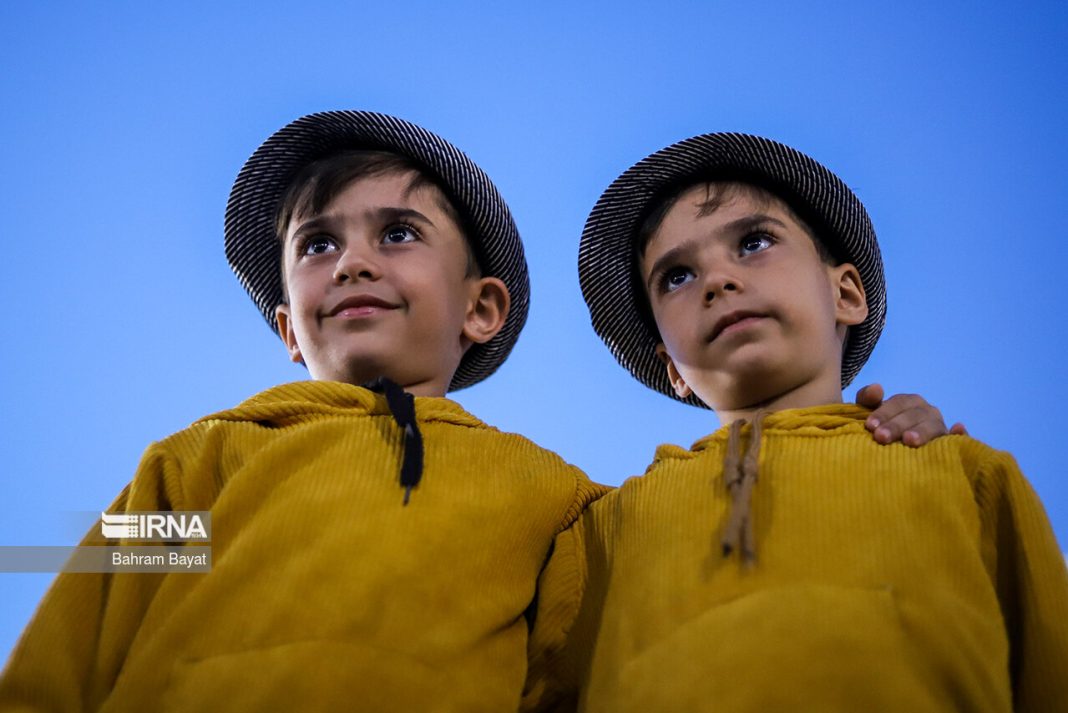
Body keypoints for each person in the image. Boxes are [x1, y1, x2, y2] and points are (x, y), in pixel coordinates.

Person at [1, 114, 951, 712]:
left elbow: (600, 665)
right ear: (289, 326)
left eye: (399, 232)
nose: (354, 262)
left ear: (480, 308)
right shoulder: (205, 461)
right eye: (318, 243)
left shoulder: (553, 504)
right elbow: (86, 603)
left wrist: (861, 439)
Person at [531, 133, 1068, 711]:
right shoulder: (602, 533)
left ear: (845, 294)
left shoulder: (963, 473)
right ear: (671, 367)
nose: (717, 280)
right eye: (677, 277)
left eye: (755, 242)